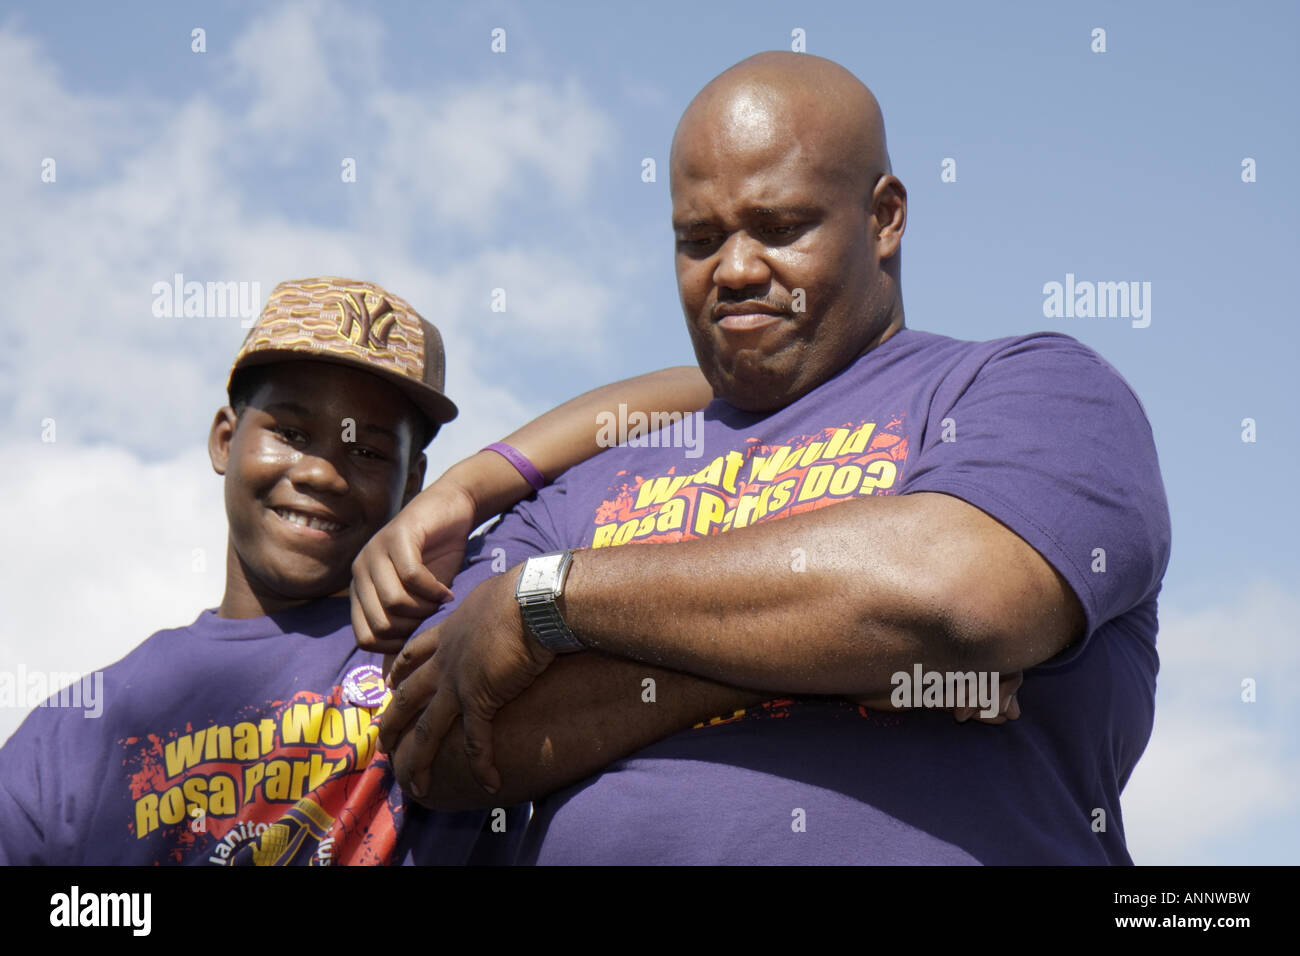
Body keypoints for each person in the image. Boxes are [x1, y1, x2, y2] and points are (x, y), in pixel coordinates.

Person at [364, 52, 1172, 865]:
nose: (738, 270)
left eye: (781, 228)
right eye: (700, 239)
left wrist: (558, 602)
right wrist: (857, 657)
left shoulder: (1028, 389)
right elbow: (449, 743)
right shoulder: (581, 484)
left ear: (884, 217)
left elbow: (957, 596)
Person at [0, 276, 712, 865]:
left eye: (369, 452)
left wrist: (466, 490)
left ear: (412, 482)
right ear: (225, 439)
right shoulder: (76, 732)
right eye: (290, 432)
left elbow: (697, 392)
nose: (320, 473)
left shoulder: (444, 606)